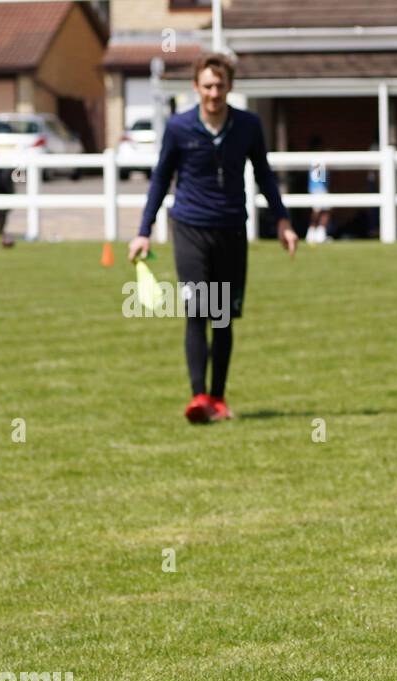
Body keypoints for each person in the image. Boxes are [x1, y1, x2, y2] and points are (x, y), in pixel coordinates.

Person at [129, 53, 298, 424]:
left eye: (220, 85)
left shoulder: (248, 126)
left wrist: (282, 221)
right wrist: (143, 231)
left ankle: (218, 399)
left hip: (232, 231)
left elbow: (265, 175)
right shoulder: (179, 127)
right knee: (197, 310)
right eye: (207, 85)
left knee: (222, 318)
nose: (214, 92)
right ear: (196, 87)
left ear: (230, 87)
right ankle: (198, 397)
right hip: (190, 229)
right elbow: (160, 179)